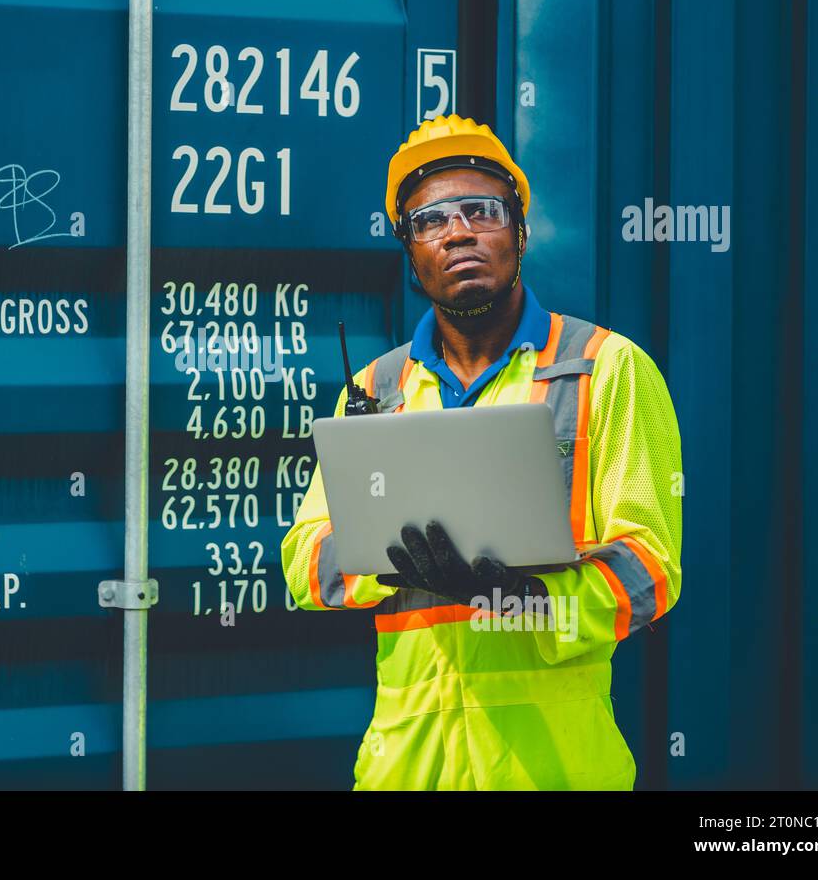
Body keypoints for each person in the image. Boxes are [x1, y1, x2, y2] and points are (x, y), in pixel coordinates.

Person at [279, 114, 683, 790]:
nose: (459, 231)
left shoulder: (604, 369)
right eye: (431, 220)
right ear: (409, 252)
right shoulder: (374, 390)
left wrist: (521, 596)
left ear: (519, 230)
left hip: (552, 773)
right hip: (406, 772)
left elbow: (650, 574)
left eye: (481, 211)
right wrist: (385, 559)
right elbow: (302, 564)